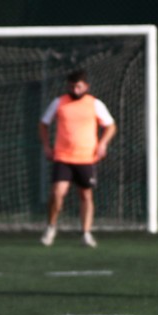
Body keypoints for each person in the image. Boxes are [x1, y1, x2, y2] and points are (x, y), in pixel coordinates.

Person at [38, 69, 117, 248]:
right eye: (72, 86)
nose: (75, 89)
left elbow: (110, 126)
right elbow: (43, 124)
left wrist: (102, 144)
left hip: (86, 158)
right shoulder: (59, 103)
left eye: (79, 86)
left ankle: (86, 232)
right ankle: (51, 227)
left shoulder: (94, 104)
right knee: (57, 193)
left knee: (86, 195)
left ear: (86, 86)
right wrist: (46, 146)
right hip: (63, 157)